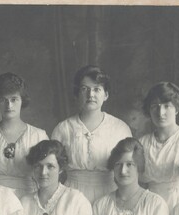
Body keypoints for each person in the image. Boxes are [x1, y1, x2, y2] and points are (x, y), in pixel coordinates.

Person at [51, 65, 133, 203]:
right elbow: (52, 167)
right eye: (84, 89)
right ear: (77, 94)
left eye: (97, 89)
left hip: (109, 194)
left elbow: (129, 167)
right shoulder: (63, 129)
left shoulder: (120, 128)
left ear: (106, 95)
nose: (91, 95)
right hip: (71, 195)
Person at [0, 73, 48, 195]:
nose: (9, 105)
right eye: (3, 100)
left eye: (14, 99)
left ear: (22, 100)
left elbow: (47, 175)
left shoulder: (38, 136)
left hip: (28, 198)